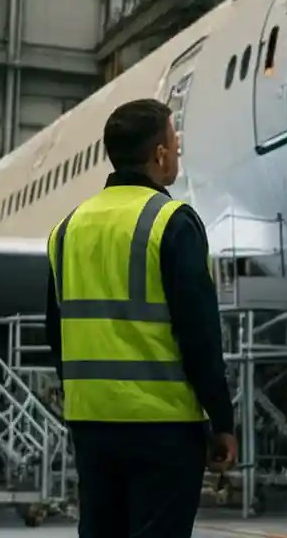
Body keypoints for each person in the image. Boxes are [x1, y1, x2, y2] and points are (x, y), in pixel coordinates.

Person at [45, 98, 236, 538]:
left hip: (91, 426)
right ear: (161, 154)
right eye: (175, 142)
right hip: (163, 428)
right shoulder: (172, 222)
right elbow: (200, 336)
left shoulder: (67, 228)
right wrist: (222, 421)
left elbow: (56, 334)